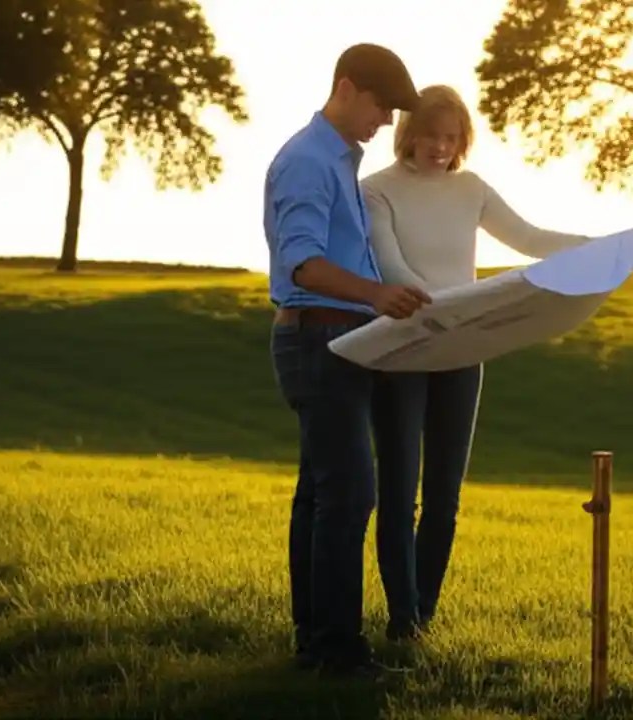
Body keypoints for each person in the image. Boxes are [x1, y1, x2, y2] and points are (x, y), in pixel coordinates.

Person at [360, 84, 592, 641]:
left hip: (463, 353)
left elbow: (531, 239)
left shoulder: (472, 190)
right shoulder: (376, 191)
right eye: (429, 135)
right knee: (399, 491)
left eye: (450, 137)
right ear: (407, 135)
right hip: (403, 349)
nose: (439, 147)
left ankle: (422, 614)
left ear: (462, 140)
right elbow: (393, 268)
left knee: (445, 493)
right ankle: (399, 617)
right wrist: (434, 309)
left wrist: (595, 245)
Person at [263, 43, 432, 677]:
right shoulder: (309, 162)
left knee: (323, 494)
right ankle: (336, 650)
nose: (387, 120)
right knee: (350, 494)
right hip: (319, 340)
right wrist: (376, 295)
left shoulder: (338, 164)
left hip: (338, 341)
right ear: (346, 87)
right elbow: (301, 261)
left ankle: (315, 642)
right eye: (382, 104)